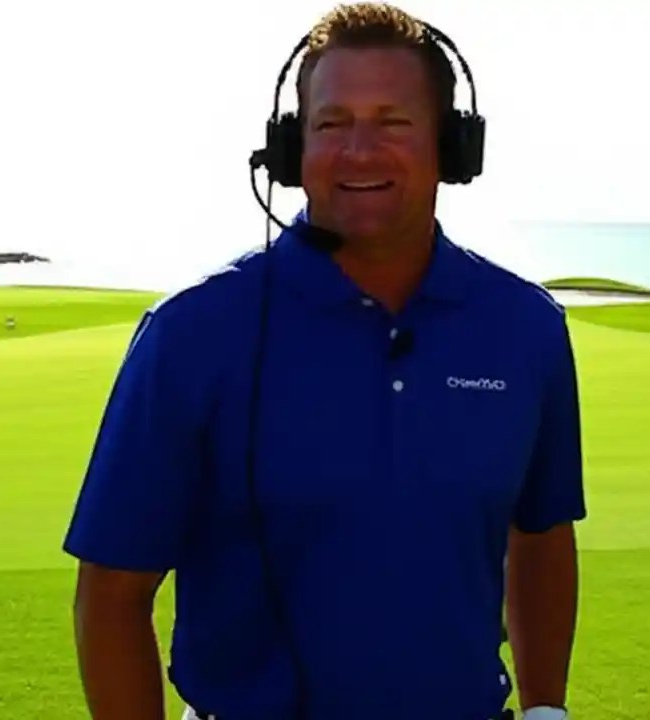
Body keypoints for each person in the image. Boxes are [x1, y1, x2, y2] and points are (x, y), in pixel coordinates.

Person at [62, 3, 586, 719]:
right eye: (331, 124)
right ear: (290, 150)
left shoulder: (526, 328)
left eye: (393, 123)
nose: (359, 152)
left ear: (453, 146)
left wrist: (547, 709)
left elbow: (544, 532)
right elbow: (111, 594)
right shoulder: (191, 333)